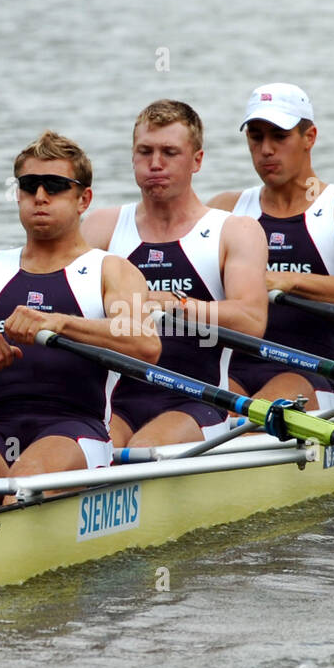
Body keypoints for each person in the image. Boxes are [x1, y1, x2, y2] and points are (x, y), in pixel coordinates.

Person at [0, 131, 159, 507]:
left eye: (56, 186)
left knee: (23, 490)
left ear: (83, 199)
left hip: (76, 431)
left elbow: (145, 346)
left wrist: (57, 323)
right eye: (29, 186)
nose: (40, 197)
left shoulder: (111, 271)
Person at [83, 100, 268, 446]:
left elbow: (251, 320)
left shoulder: (233, 230)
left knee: (140, 450)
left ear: (197, 160)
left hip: (197, 401)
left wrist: (174, 305)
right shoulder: (100, 228)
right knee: (86, 449)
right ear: (133, 157)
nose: (155, 164)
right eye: (145, 152)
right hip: (114, 405)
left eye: (170, 152)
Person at [208, 83, 334, 409]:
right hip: (230, 369)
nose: (266, 149)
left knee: (252, 422)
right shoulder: (224, 209)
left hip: (311, 371)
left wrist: (288, 280)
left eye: (279, 137)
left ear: (309, 137)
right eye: (256, 137)